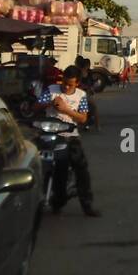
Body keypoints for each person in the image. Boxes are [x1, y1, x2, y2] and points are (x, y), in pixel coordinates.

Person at [44, 66, 101, 217]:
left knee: (81, 168)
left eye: (70, 84)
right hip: (49, 134)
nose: (66, 87)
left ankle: (87, 204)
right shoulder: (51, 90)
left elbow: (83, 118)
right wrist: (50, 103)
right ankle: (56, 200)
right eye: (64, 83)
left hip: (70, 136)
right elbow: (35, 106)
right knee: (52, 167)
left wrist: (65, 109)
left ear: (77, 84)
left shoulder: (81, 96)